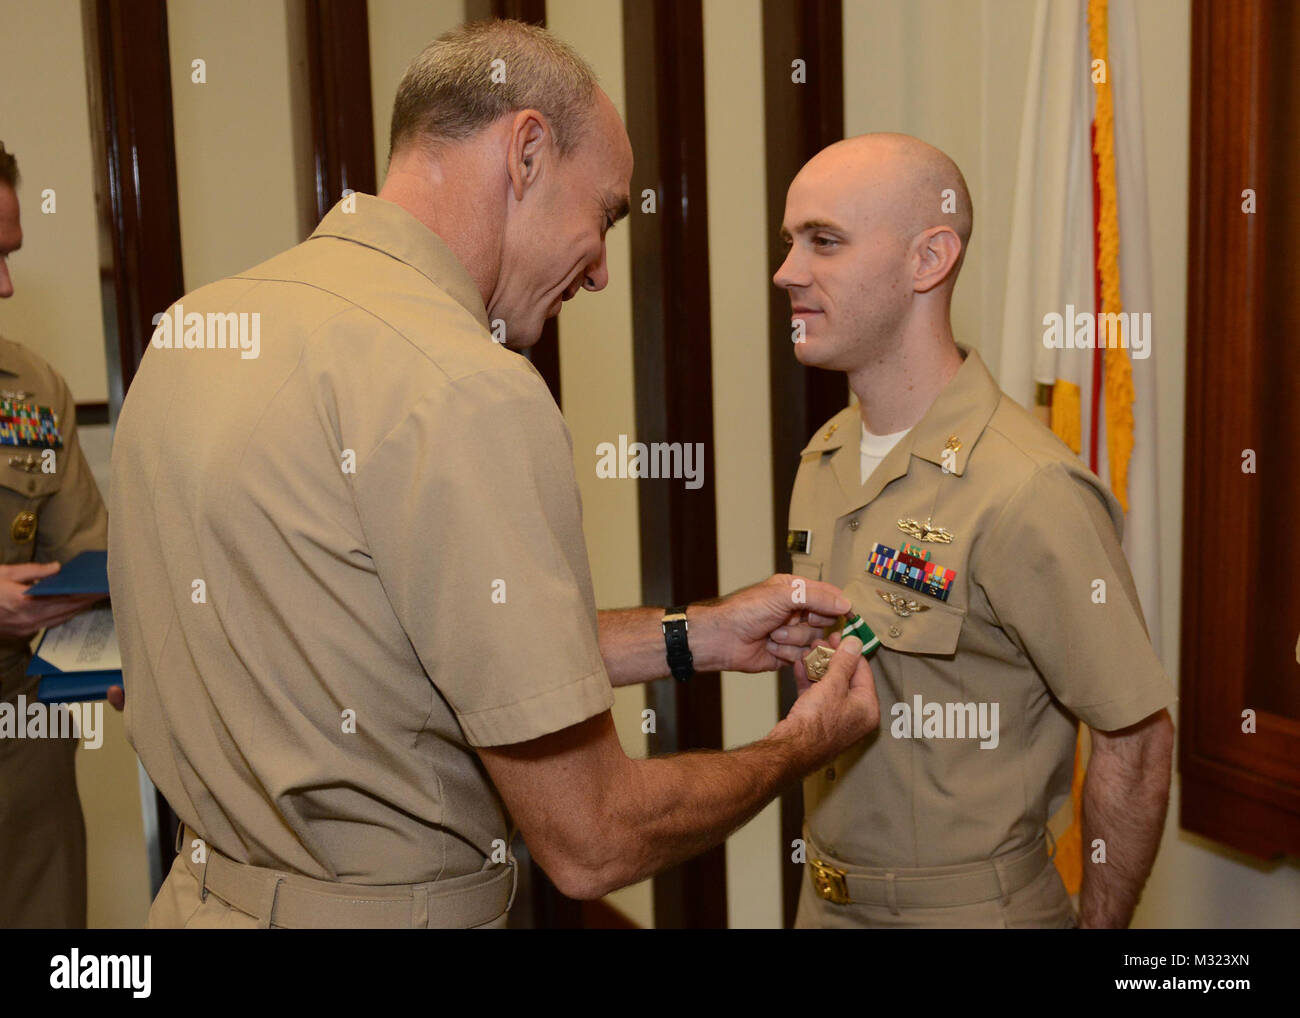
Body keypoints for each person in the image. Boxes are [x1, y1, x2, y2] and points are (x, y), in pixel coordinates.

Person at [108, 20, 878, 929]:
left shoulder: (197, 330)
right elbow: (592, 841)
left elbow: (402, 642)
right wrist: (799, 747)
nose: (598, 272)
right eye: (605, 215)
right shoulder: (464, 387)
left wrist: (698, 635)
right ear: (525, 152)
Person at [776, 133, 1175, 929]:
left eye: (823, 241)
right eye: (788, 243)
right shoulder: (824, 456)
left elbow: (1136, 741)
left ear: (929, 260)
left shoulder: (1029, 487)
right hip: (822, 899)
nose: (786, 272)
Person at [0, 142, 111, 928]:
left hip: (24, 738)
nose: (6, 285)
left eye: (8, 256)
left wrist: (111, 655)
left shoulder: (33, 391)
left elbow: (88, 556)